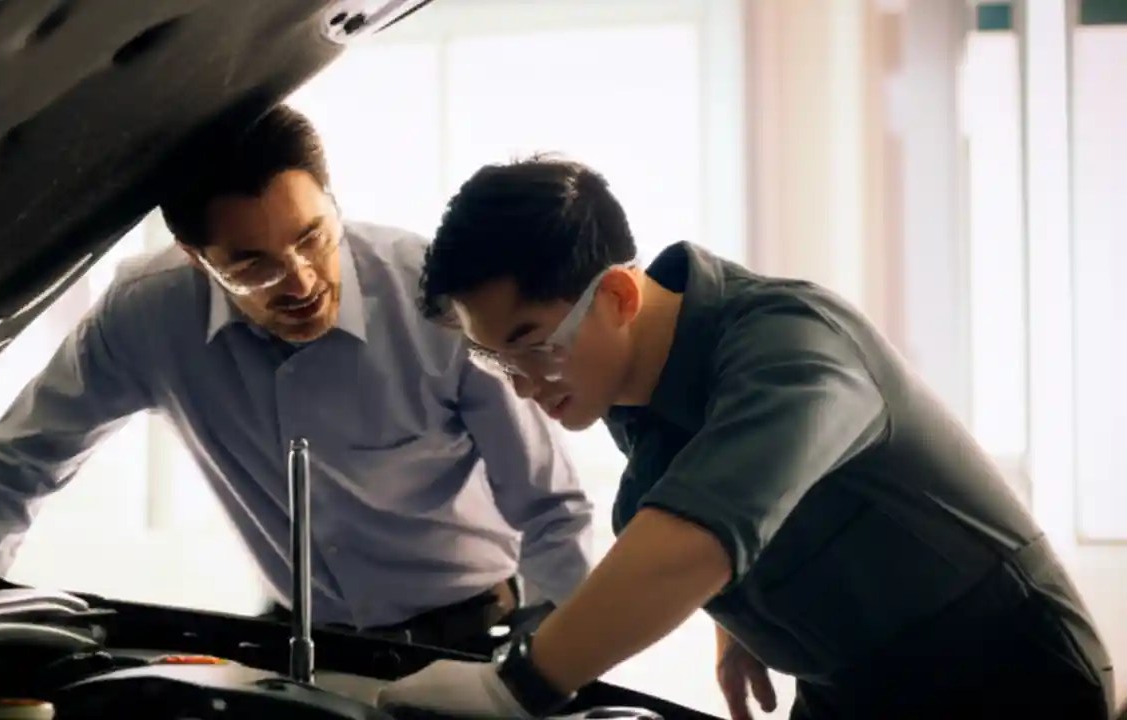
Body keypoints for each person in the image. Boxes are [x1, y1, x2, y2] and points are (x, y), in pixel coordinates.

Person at [376, 155, 1115, 718]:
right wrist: (742, 620)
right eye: (494, 358)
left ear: (619, 296)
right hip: (848, 685)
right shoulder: (645, 414)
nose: (519, 383)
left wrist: (512, 690)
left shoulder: (793, 345)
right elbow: (739, 514)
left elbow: (699, 533)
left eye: (531, 343)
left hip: (1006, 678)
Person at [0, 106, 595, 655]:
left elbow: (552, 510)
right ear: (195, 257)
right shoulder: (147, 315)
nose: (300, 280)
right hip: (298, 648)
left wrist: (550, 671)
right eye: (252, 266)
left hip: (476, 642)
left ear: (333, 201)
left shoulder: (440, 302)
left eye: (312, 237)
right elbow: (12, 468)